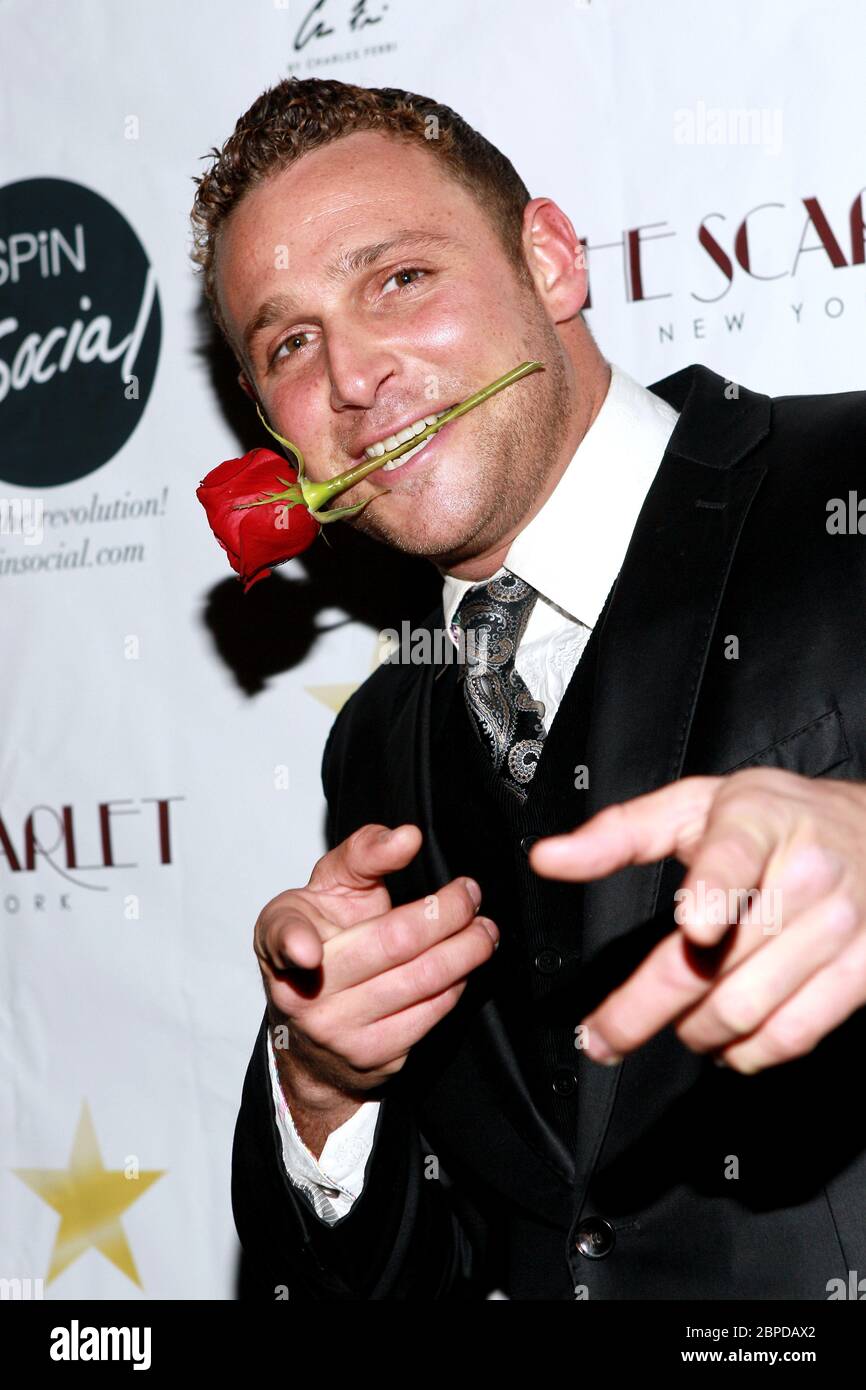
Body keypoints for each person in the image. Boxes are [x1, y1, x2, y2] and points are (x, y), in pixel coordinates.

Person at [190, 76, 866, 1300]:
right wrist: (326, 1087)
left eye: (397, 278)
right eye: (290, 342)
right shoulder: (380, 748)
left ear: (549, 262)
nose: (353, 377)